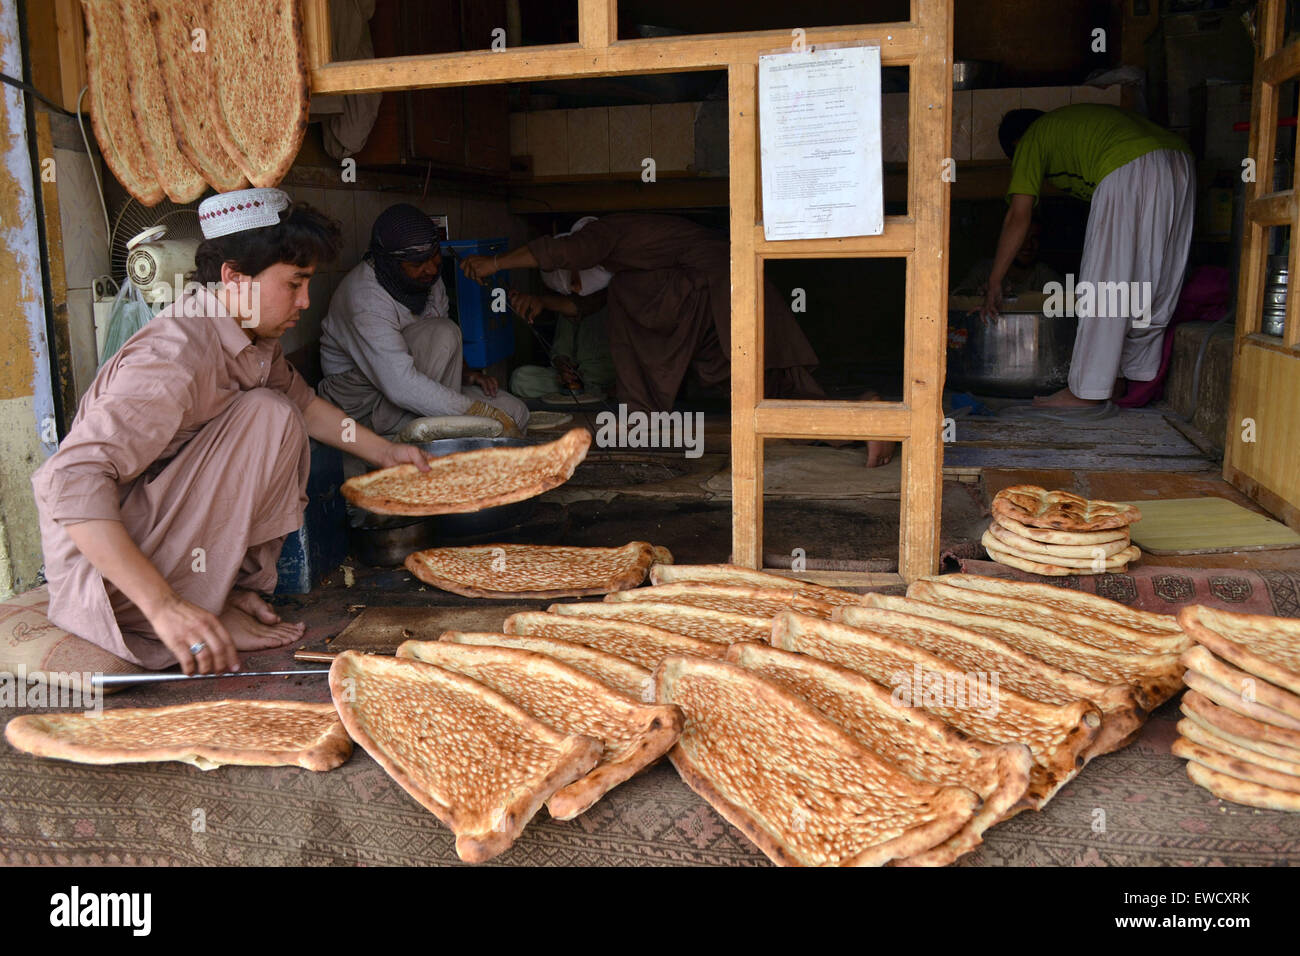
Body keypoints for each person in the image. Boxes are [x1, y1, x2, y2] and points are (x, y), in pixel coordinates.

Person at [30, 189, 431, 675]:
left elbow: (305, 404)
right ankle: (184, 606)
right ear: (233, 279)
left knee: (277, 410)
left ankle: (224, 594)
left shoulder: (250, 339)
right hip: (109, 579)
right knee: (269, 413)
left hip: (163, 542)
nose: (305, 301)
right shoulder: (174, 356)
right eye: (295, 284)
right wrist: (164, 607)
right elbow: (70, 478)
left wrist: (386, 452)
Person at [460, 213, 896, 466]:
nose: (574, 288)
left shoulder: (604, 235)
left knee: (764, 392)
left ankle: (861, 418)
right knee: (766, 394)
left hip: (720, 299)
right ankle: (860, 419)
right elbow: (584, 304)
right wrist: (540, 302)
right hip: (714, 305)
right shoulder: (626, 273)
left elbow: (562, 254)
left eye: (573, 280)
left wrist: (494, 264)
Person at [982, 104, 1195, 407]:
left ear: (1016, 147)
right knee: (1152, 276)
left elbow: (1019, 215)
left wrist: (994, 281)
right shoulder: (1073, 129)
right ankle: (1129, 377)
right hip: (1180, 163)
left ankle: (1086, 392)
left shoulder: (1030, 140)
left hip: (1129, 164)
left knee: (1106, 283)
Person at [318, 203, 528, 437]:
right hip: (365, 405)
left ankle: (443, 427)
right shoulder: (364, 298)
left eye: (434, 258)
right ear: (391, 265)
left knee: (515, 413)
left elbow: (434, 354)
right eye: (417, 263)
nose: (430, 269)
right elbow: (401, 384)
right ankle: (435, 433)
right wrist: (475, 411)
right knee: (444, 333)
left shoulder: (428, 280)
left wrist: (466, 373)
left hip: (412, 385)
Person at [506, 287, 616, 400]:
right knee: (520, 379)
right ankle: (589, 392)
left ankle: (598, 391)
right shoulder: (569, 303)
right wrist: (563, 367)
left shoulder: (618, 300)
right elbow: (561, 349)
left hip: (608, 378)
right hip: (575, 380)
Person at [955, 219, 1062, 297]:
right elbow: (957, 295)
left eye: (1034, 238)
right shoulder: (986, 269)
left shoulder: (1043, 274)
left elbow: (1069, 302)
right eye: (1022, 238)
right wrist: (978, 294)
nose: (1028, 245)